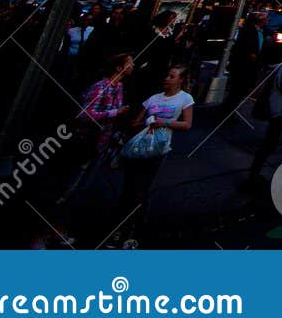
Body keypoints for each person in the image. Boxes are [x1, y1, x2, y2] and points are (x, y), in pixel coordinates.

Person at [117, 65, 194, 247]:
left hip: (159, 147)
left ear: (180, 80)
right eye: (166, 75)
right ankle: (120, 227)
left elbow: (187, 124)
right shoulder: (153, 98)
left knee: (142, 188)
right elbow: (136, 121)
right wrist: (143, 122)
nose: (166, 78)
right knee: (129, 187)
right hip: (140, 145)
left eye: (171, 76)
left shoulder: (185, 98)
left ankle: (133, 231)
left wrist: (164, 122)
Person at [62, 53, 132, 201]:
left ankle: (72, 204)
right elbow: (84, 114)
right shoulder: (101, 87)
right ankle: (61, 201)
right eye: (129, 63)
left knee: (88, 178)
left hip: (103, 140)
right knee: (76, 175)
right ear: (119, 68)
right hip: (89, 139)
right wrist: (114, 112)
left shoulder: (119, 86)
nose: (133, 66)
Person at [248, 46, 282, 187]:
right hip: (278, 109)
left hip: (274, 107)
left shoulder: (274, 67)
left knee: (269, 142)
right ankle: (254, 175)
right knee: (269, 143)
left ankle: (254, 173)